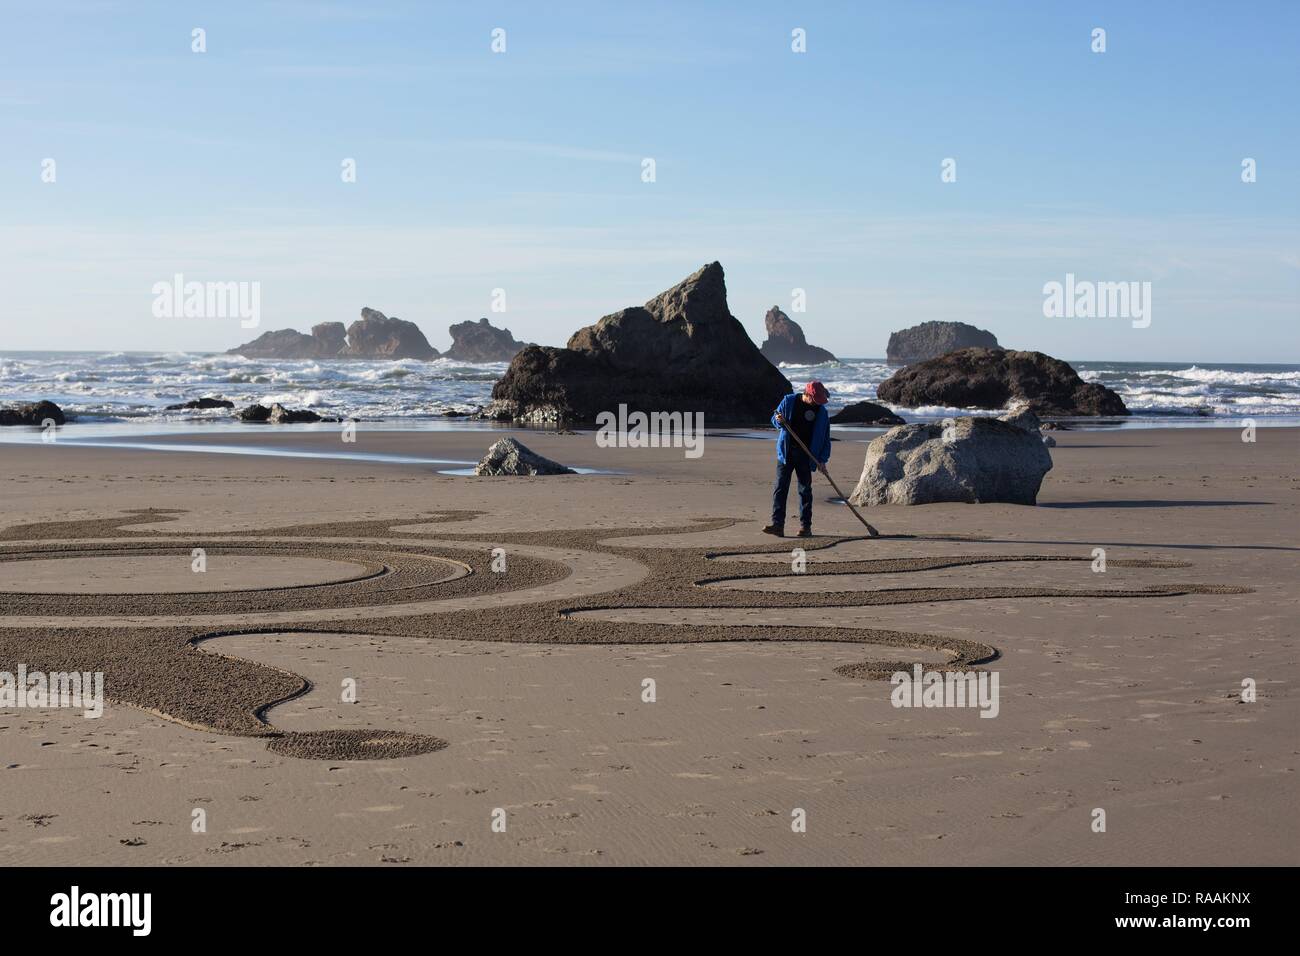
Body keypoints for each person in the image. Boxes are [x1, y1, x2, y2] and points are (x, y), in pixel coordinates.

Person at [764, 380, 830, 538]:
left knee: (805, 490)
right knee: (780, 488)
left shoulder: (821, 412)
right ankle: (777, 525)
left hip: (807, 456)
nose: (817, 403)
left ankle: (805, 527)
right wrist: (779, 421)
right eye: (815, 399)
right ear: (807, 394)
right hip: (786, 453)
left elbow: (825, 437)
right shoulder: (789, 401)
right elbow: (775, 420)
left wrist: (822, 459)